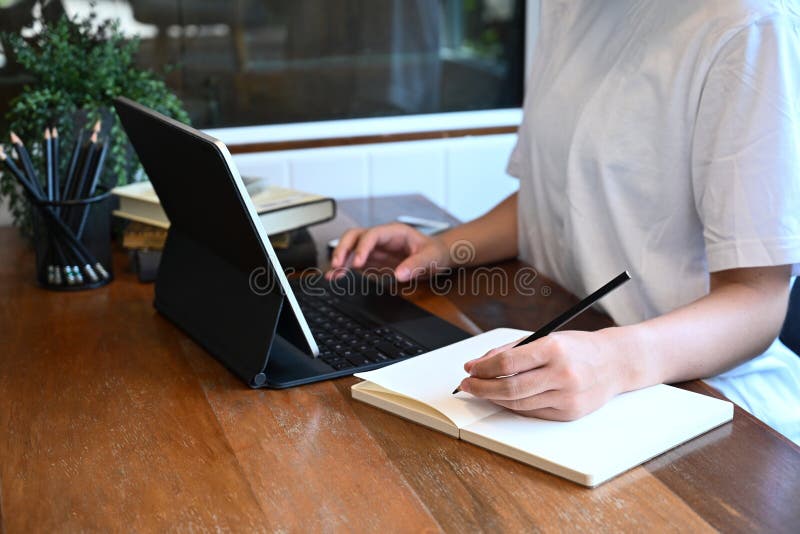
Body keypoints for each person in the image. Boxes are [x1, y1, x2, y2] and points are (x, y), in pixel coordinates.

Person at [326, 0, 800, 444]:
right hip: (569, 352)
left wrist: (615, 360)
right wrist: (443, 248)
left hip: (709, 402)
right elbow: (558, 194)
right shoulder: (568, 8)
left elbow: (758, 297)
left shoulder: (747, 24)